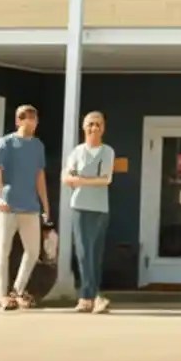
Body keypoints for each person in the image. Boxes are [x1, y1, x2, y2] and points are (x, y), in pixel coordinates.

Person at [0, 104, 51, 311]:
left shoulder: (38, 146)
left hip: (30, 206)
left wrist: (45, 205)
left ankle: (17, 290)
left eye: (35, 119)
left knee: (33, 251)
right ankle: (1, 296)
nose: (32, 122)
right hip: (8, 206)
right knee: (3, 251)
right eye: (28, 118)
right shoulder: (6, 143)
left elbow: (39, 176)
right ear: (19, 121)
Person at [64, 111, 116, 314]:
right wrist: (87, 179)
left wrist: (81, 179)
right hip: (79, 206)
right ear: (83, 127)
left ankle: (90, 296)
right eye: (90, 124)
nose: (94, 128)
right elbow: (68, 176)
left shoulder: (107, 152)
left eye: (98, 124)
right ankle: (90, 297)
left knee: (94, 253)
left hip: (100, 208)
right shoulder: (77, 152)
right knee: (83, 252)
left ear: (103, 128)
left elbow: (105, 179)